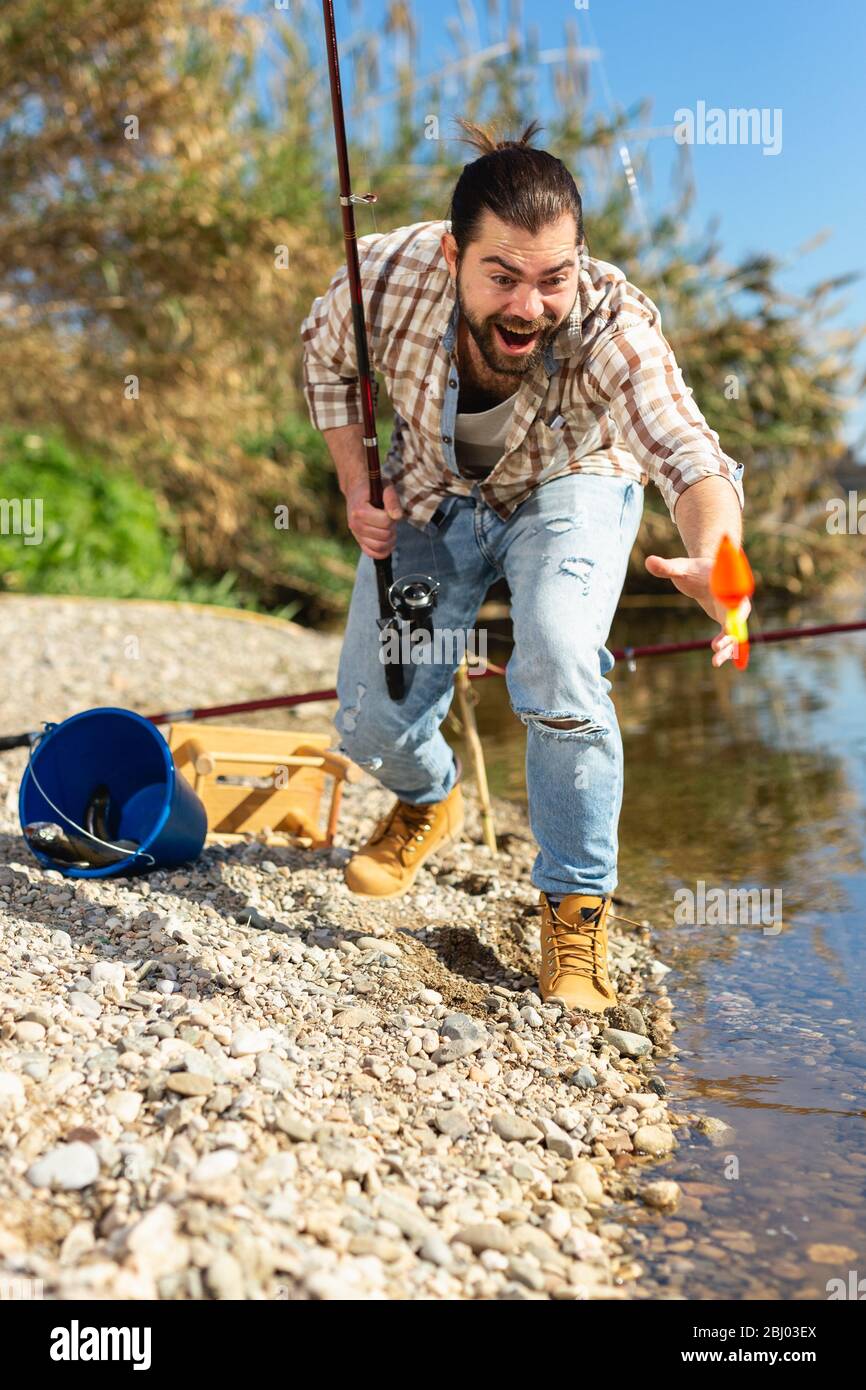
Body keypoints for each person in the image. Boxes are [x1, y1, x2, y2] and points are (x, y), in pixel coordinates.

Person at [300, 118, 746, 1012]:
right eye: (502, 277)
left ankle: (576, 914)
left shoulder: (612, 322)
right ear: (449, 254)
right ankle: (430, 798)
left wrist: (717, 560)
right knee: (369, 723)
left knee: (557, 654)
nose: (529, 306)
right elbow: (327, 362)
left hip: (569, 485)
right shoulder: (385, 275)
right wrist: (359, 490)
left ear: (578, 259)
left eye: (553, 278)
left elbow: (688, 451)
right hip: (428, 492)